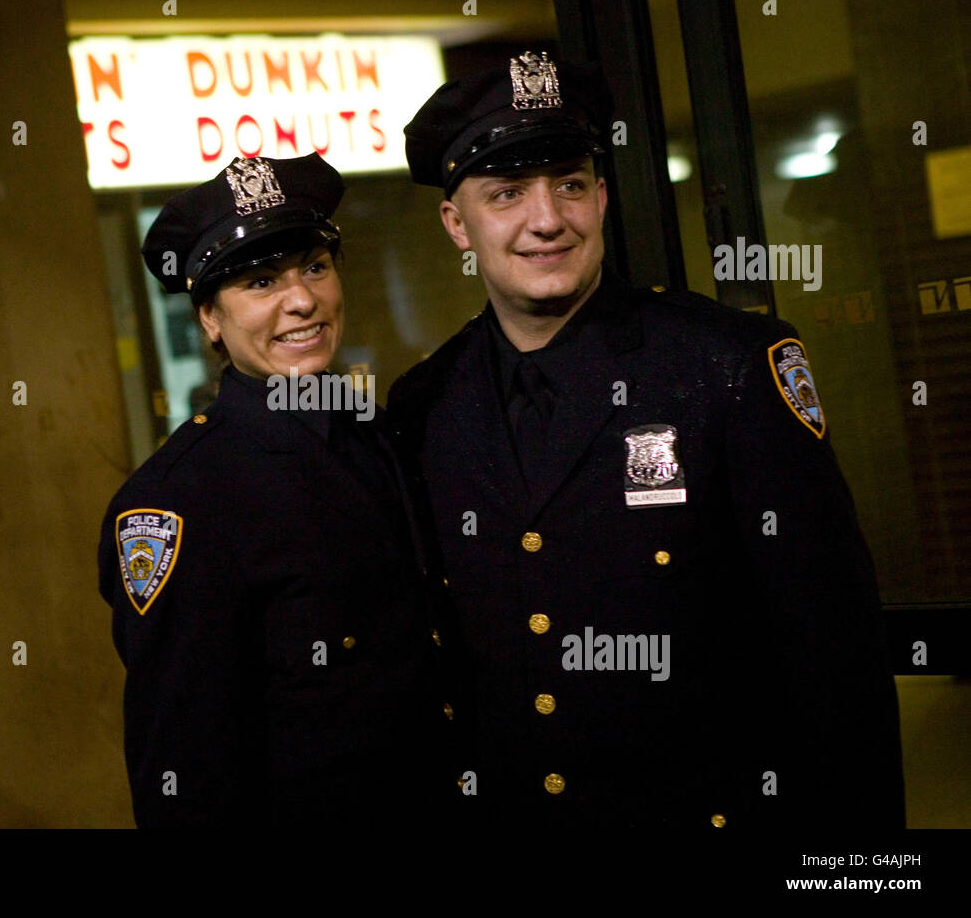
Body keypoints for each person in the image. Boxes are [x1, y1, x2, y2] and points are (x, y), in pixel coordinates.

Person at [385, 50, 904, 828]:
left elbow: (836, 657)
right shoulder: (424, 404)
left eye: (568, 184)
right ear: (457, 224)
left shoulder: (725, 363)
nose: (546, 219)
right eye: (506, 194)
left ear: (601, 196)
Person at [97, 153, 458, 828]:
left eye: (315, 267)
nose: (302, 301)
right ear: (209, 318)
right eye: (262, 281)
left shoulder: (372, 432)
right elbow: (183, 768)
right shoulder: (179, 501)